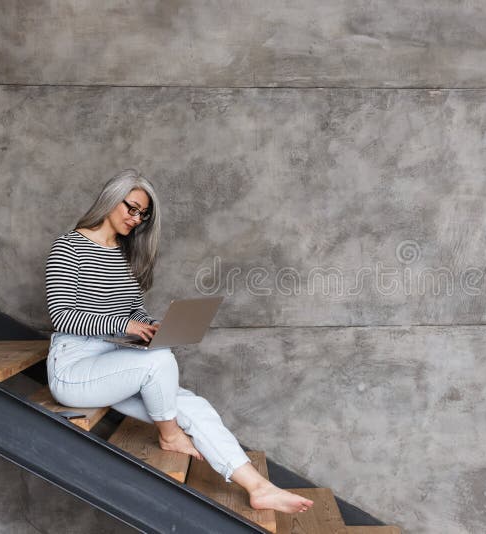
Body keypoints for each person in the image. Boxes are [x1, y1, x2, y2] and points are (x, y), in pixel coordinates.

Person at [44, 168, 313, 514]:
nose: (136, 219)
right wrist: (125, 325)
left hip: (112, 361)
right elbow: (62, 315)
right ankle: (169, 435)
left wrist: (152, 325)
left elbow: (134, 310)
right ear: (111, 198)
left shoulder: (122, 254)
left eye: (142, 215)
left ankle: (258, 487)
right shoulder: (69, 246)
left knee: (194, 405)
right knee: (158, 363)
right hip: (73, 368)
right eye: (131, 208)